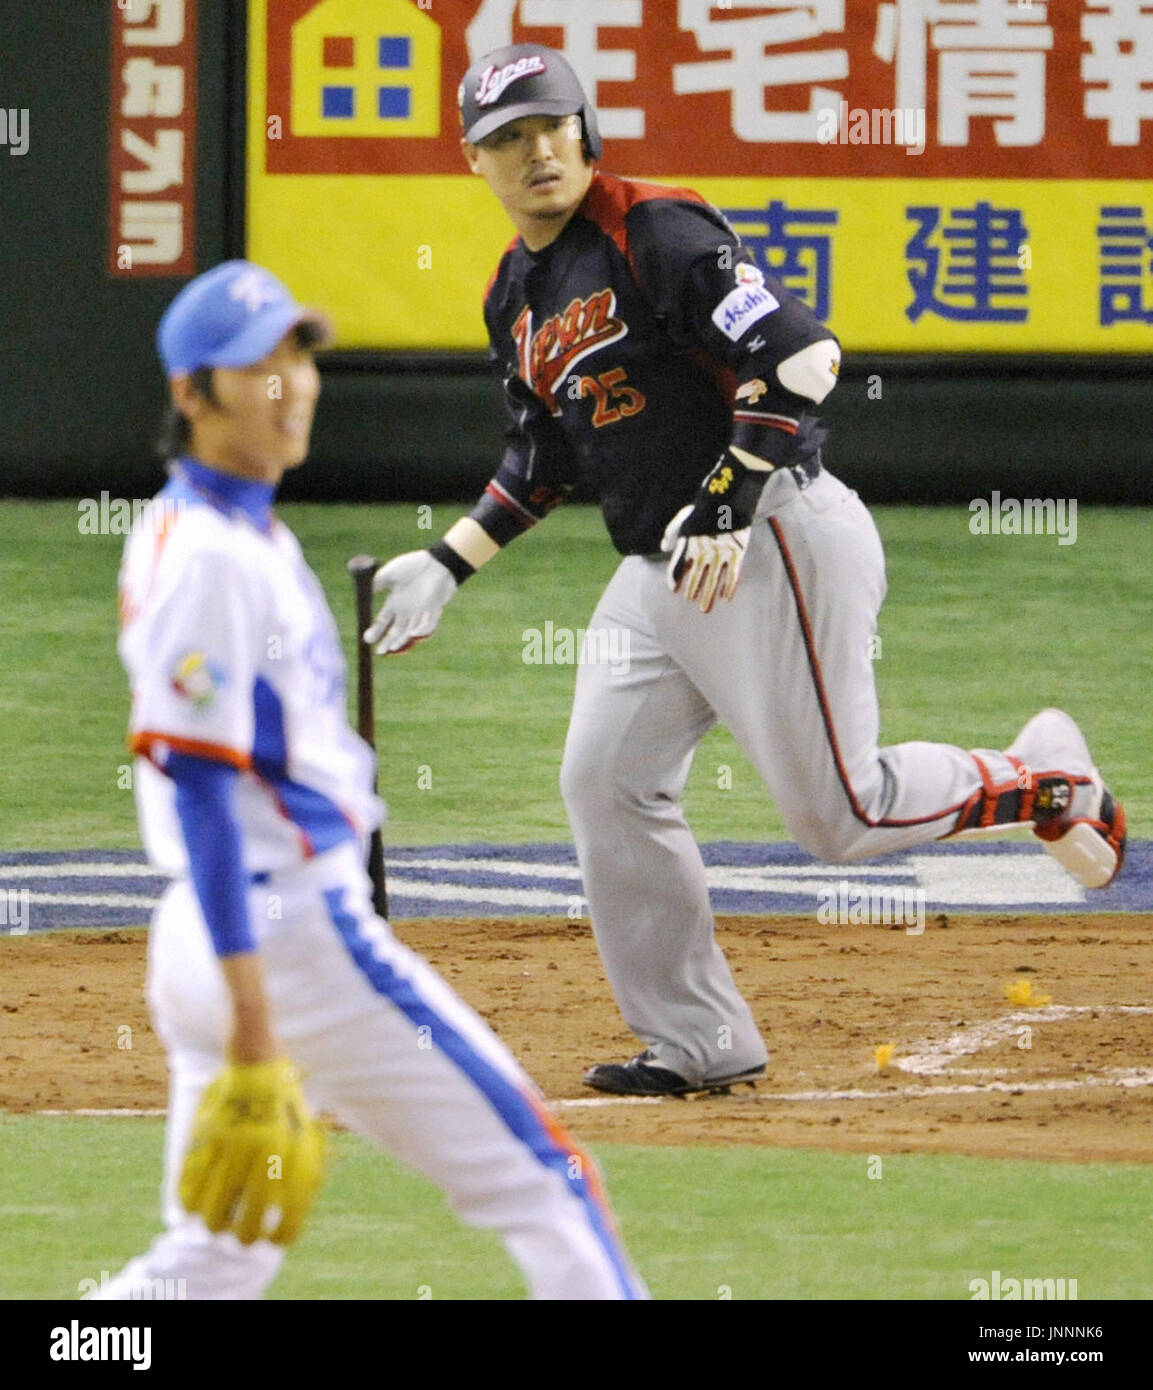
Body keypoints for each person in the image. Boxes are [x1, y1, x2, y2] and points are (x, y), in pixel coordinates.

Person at [366, 44, 1127, 1101]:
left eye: (551, 125)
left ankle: (1047, 781)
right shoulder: (516, 293)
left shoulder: (655, 231)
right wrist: (451, 561)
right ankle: (697, 1037)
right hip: (661, 570)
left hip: (774, 536)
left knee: (840, 819)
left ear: (584, 129)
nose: (536, 151)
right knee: (604, 781)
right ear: (473, 160)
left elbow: (803, 359)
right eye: (507, 138)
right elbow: (545, 452)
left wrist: (725, 497)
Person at [92, 259, 646, 1300]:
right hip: (286, 942)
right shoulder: (213, 556)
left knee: (217, 1253)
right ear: (191, 395)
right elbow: (207, 789)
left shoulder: (204, 529)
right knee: (551, 1183)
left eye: (298, 358)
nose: (290, 385)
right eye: (256, 367)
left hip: (215, 944)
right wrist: (259, 1031)